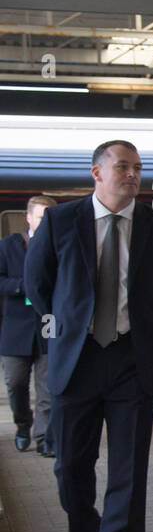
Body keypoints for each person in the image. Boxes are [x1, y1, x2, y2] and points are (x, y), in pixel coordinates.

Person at [24, 140, 153, 532]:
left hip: (131, 362)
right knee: (71, 466)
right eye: (122, 166)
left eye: (138, 167)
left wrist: (142, 330)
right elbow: (39, 286)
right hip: (75, 362)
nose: (132, 174)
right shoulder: (60, 221)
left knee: (128, 471)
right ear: (96, 173)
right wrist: (67, 329)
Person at [0, 195, 55, 455]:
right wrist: (23, 286)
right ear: (28, 217)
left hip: (48, 328)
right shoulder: (8, 246)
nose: (46, 223)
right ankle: (23, 425)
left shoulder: (61, 245)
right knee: (15, 383)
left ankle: (44, 436)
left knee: (47, 386)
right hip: (16, 331)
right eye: (42, 217)